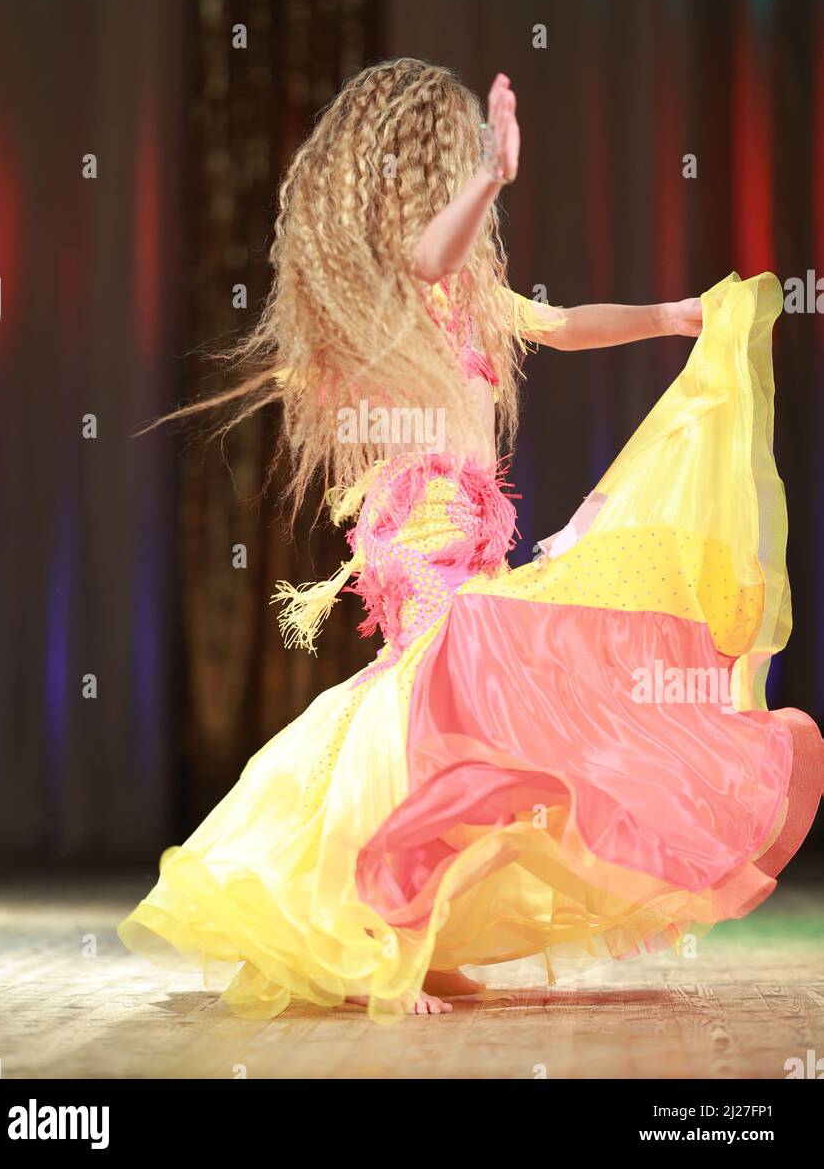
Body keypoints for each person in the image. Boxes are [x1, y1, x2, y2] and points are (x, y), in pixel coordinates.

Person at [118, 59, 824, 1020]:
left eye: (469, 186)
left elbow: (565, 324)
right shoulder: (394, 296)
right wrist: (493, 172)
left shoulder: (479, 305)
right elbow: (426, 261)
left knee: (473, 716)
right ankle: (389, 934)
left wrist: (670, 317)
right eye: (450, 183)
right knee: (441, 693)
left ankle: (428, 928)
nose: (463, 205)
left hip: (476, 542)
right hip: (417, 537)